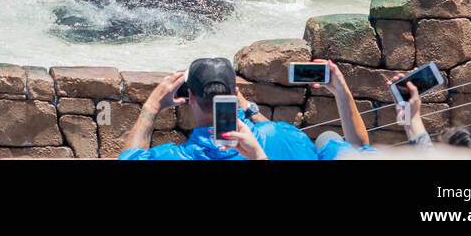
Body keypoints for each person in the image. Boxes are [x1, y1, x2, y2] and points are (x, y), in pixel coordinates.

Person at [119, 57, 321, 161]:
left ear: (190, 97)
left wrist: (151, 107)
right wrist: (249, 110)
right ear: (235, 93)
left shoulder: (170, 155)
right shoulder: (286, 137)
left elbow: (130, 156)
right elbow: (279, 135)